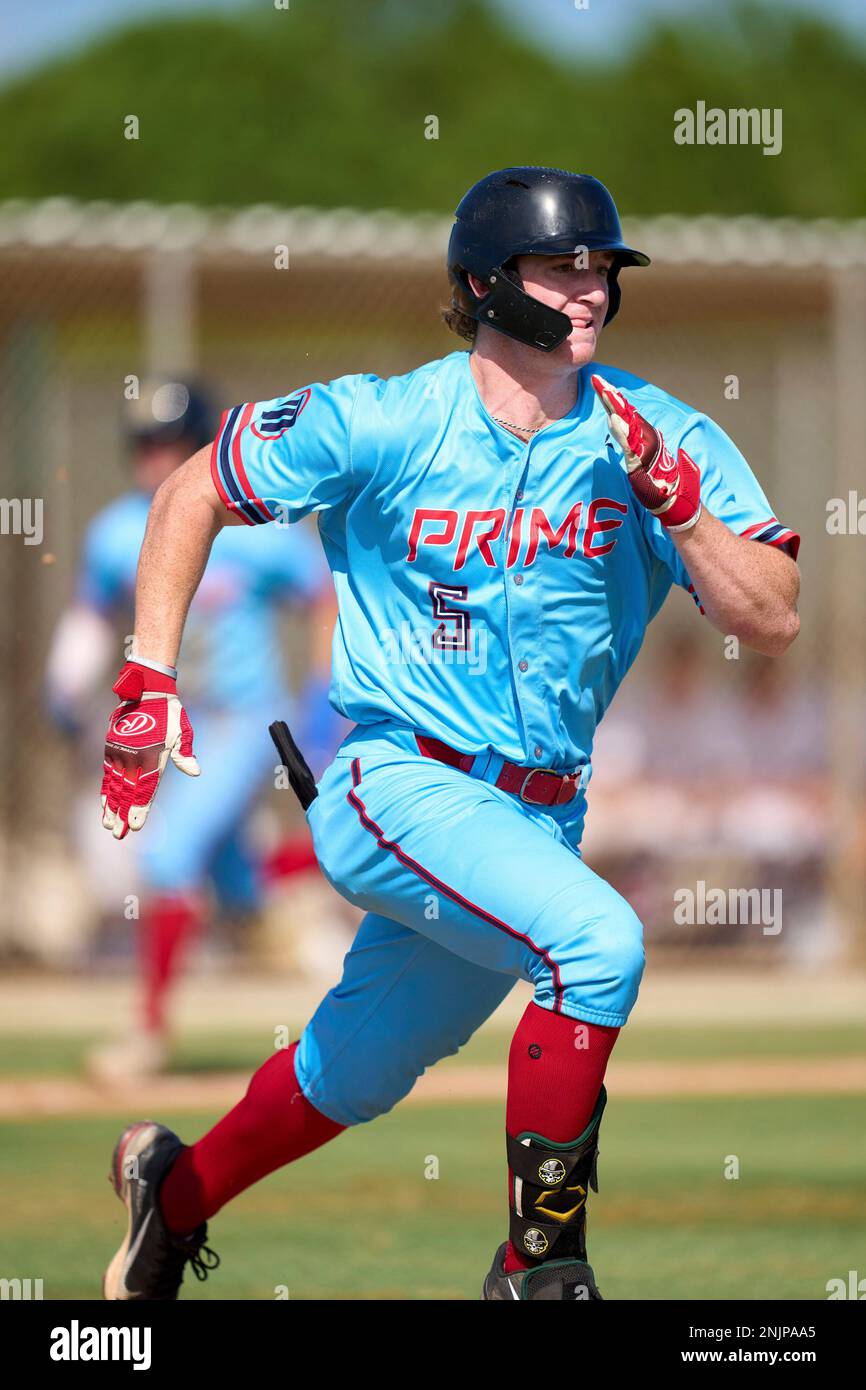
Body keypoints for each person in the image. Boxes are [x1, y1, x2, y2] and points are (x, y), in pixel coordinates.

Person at [99, 169, 800, 1300]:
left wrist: (678, 502)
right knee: (596, 945)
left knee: (353, 1069)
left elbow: (767, 616)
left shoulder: (657, 432)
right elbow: (192, 490)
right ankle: (539, 1265)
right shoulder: (383, 416)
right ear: (483, 282)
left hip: (536, 813)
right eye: (559, 264)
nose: (587, 287)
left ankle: (169, 1203)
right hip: (398, 781)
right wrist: (146, 671)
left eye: (600, 267)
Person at [47, 377, 338, 1077]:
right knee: (241, 887)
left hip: (244, 718)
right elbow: (92, 613)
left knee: (166, 858)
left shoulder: (258, 524)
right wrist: (64, 683)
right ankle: (319, 895)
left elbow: (323, 600)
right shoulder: (119, 530)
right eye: (146, 444)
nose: (157, 459)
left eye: (173, 443)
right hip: (176, 725)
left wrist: (324, 696)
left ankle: (146, 1033)